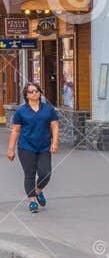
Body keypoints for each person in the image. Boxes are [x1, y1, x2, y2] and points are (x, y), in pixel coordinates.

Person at [6, 82, 61, 213]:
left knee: (45, 173)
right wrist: (11, 149)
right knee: (29, 174)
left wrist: (55, 142)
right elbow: (15, 130)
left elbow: (55, 126)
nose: (34, 93)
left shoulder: (48, 109)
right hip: (26, 147)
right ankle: (32, 201)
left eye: (36, 91)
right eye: (31, 91)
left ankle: (38, 191)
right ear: (26, 95)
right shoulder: (21, 111)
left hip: (44, 147)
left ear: (40, 93)